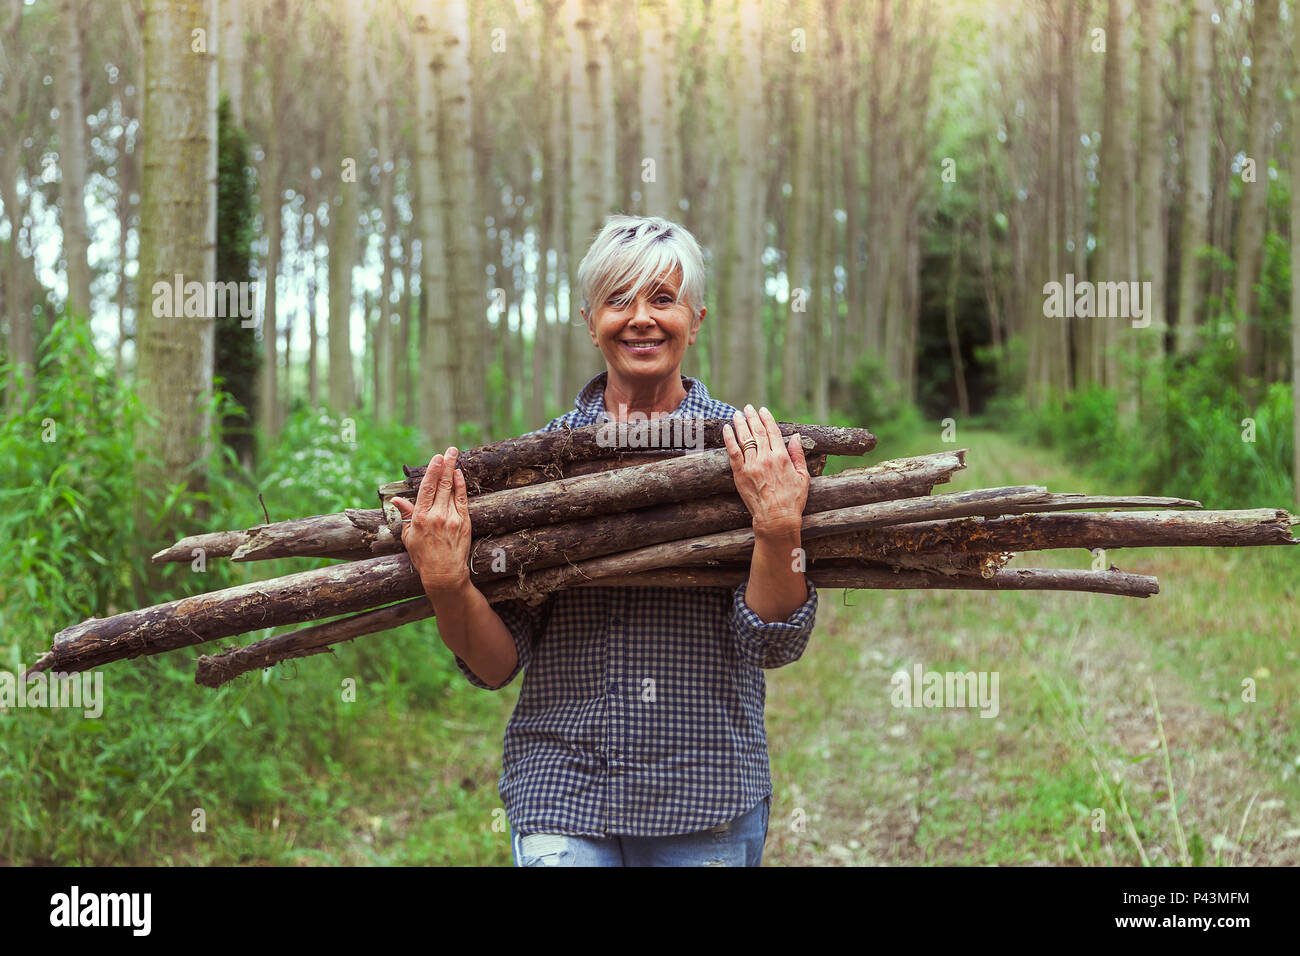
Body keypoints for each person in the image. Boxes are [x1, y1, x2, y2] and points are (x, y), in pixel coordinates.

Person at [392, 214, 818, 866]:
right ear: (590, 320)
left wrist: (778, 527)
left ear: (696, 319)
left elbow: (773, 640)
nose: (641, 317)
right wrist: (449, 586)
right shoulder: (534, 469)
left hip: (706, 793)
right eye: (618, 300)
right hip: (561, 786)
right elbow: (496, 665)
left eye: (663, 299)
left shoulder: (750, 454)